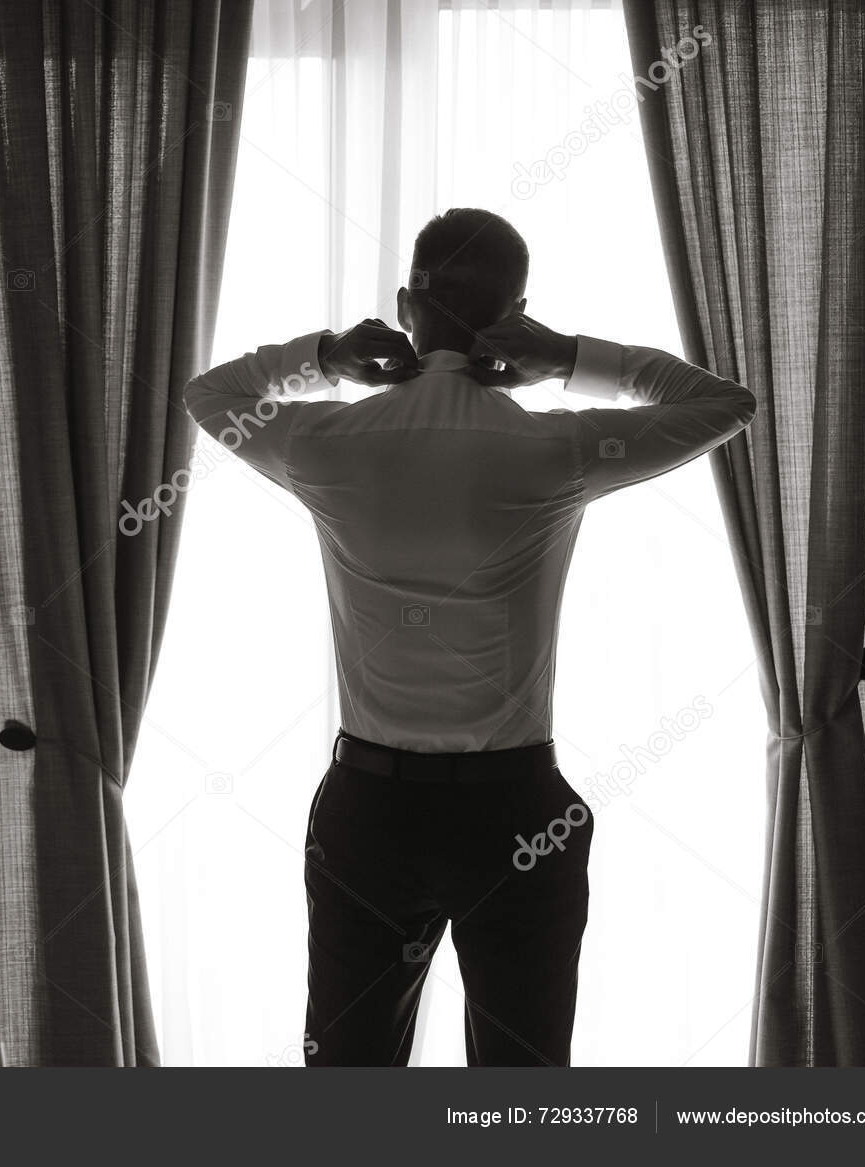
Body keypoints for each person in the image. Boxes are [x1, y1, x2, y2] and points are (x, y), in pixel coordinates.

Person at [183, 208, 756, 1066]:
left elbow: (210, 395)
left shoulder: (322, 440)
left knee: (348, 1071)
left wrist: (325, 357)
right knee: (519, 1089)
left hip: (370, 812)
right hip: (516, 813)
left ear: (407, 305)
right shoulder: (556, 447)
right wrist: (565, 356)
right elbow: (725, 402)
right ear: (515, 312)